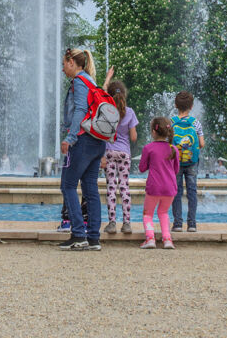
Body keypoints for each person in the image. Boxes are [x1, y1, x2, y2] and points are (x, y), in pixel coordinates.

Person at [58, 48, 104, 251]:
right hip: (97, 141)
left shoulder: (79, 81)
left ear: (71, 62)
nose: (62, 68)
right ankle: (93, 237)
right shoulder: (91, 81)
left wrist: (70, 137)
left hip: (83, 140)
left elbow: (80, 111)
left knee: (67, 185)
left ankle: (78, 234)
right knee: (90, 188)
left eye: (63, 64)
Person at [101, 74, 137, 234]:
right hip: (124, 153)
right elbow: (134, 137)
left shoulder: (106, 112)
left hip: (108, 152)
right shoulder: (129, 112)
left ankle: (112, 223)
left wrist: (107, 79)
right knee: (124, 187)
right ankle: (127, 223)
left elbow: (101, 134)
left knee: (111, 187)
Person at [137, 117, 179, 249]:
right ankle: (167, 240)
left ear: (154, 132)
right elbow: (176, 170)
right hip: (170, 188)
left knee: (148, 214)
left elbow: (142, 168)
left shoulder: (148, 148)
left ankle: (150, 239)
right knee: (164, 212)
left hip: (154, 187)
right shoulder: (174, 149)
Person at [169, 91, 203, 232]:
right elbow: (202, 143)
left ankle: (177, 223)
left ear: (176, 105)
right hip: (192, 162)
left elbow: (167, 143)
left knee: (176, 191)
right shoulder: (195, 123)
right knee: (192, 191)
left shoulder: (171, 122)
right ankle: (192, 224)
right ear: (192, 106)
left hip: (176, 162)